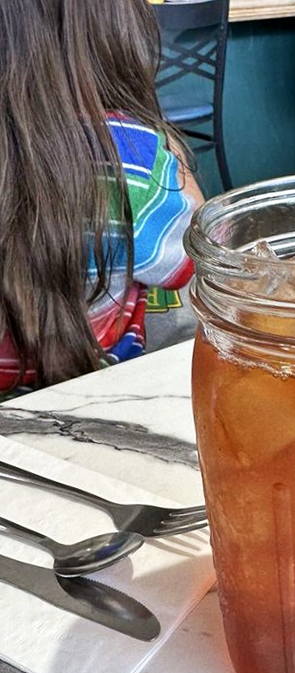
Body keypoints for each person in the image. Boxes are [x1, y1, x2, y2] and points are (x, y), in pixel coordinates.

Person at [0, 0, 203, 399]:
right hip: (102, 384)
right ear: (116, 32)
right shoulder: (136, 155)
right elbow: (184, 264)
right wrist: (171, 153)